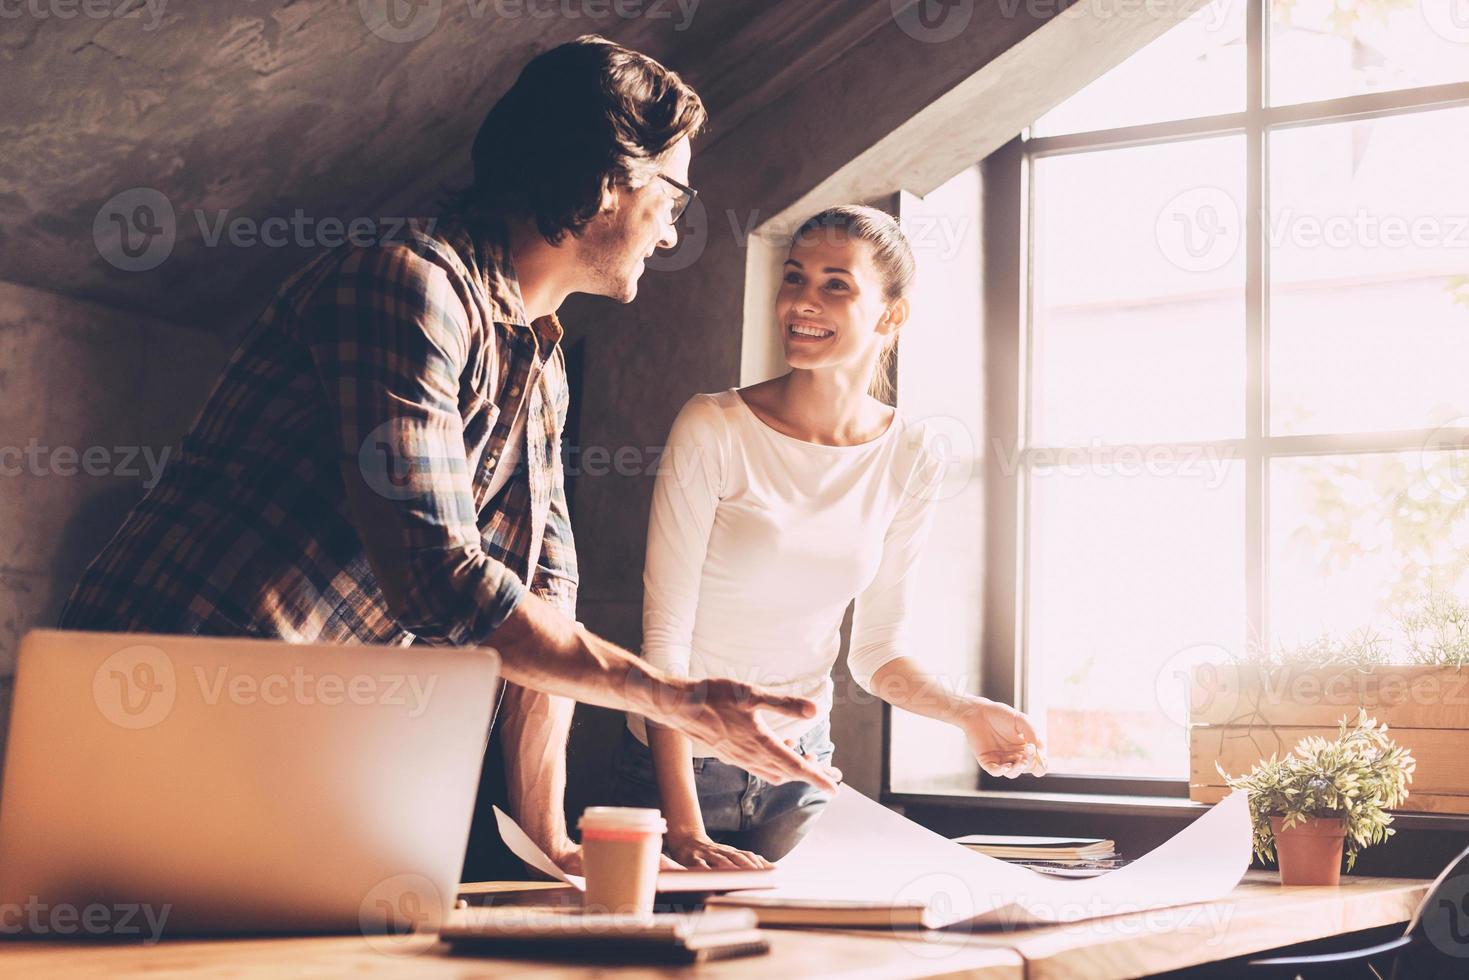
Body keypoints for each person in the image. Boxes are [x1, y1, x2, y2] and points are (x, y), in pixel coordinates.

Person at [58, 35, 836, 876]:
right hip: (158, 701)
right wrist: (675, 700)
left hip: (286, 732)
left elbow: (546, 598)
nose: (675, 230)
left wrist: (552, 844)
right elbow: (440, 579)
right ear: (610, 181)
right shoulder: (404, 285)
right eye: (673, 193)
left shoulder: (540, 365)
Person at [615, 206, 1048, 868]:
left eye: (835, 284)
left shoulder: (912, 454)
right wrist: (685, 829)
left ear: (891, 316)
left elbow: (875, 652)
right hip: (675, 774)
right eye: (794, 277)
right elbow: (665, 645)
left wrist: (965, 712)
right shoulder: (713, 427)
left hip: (800, 773)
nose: (801, 302)